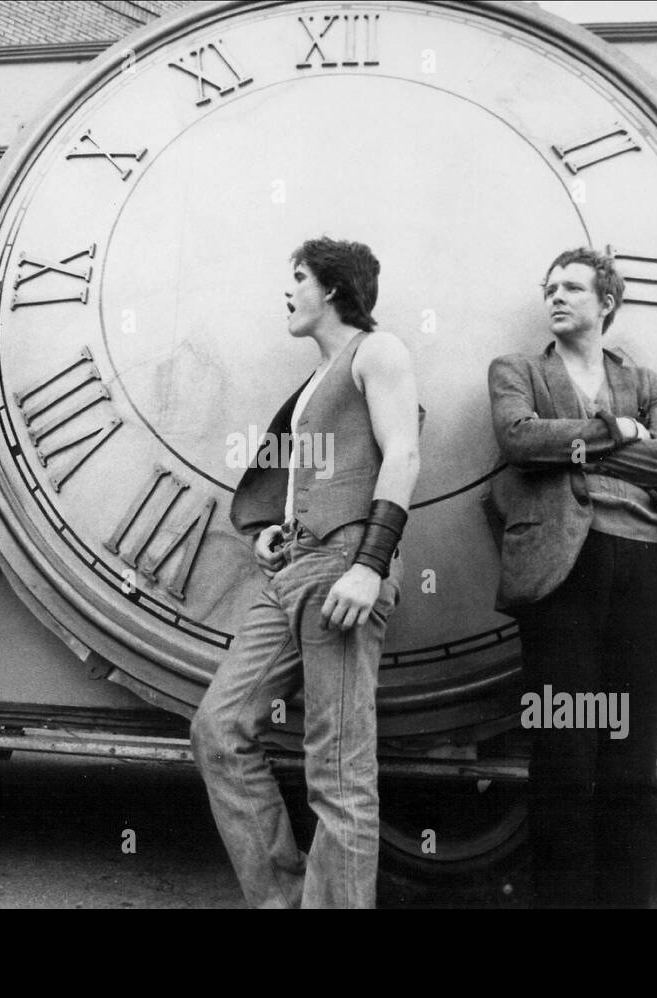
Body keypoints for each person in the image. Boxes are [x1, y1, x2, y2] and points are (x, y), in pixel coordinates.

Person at [191, 237, 421, 908]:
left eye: (298, 278)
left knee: (338, 771)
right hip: (293, 571)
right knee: (218, 728)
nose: (286, 292)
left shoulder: (379, 351)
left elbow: (402, 457)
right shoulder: (316, 381)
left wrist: (370, 566)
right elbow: (311, 478)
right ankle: (284, 898)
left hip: (345, 568)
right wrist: (271, 532)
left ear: (334, 289)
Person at [486, 247, 657, 908]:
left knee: (632, 762)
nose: (556, 296)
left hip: (644, 571)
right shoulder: (516, 370)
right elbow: (520, 440)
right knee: (563, 757)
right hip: (562, 576)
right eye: (549, 286)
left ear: (606, 302)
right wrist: (621, 431)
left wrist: (577, 445)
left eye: (573, 288)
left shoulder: (650, 379)